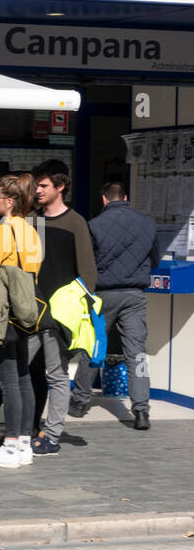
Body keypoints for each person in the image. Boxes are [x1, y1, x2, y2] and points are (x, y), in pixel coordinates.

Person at [71, 181, 162, 430]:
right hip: (134, 295)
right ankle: (141, 411)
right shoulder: (148, 223)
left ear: (104, 199)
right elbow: (154, 260)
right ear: (126, 197)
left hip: (103, 295)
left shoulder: (94, 225)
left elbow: (86, 264)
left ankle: (79, 402)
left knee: (93, 346)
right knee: (137, 353)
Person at [25, 159, 97, 456]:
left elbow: (88, 273)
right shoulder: (31, 220)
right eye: (36, 186)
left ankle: (51, 435)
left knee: (56, 375)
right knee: (18, 370)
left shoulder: (76, 222)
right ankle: (22, 431)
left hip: (58, 314)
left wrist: (75, 310)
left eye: (43, 186)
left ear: (60, 186)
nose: (38, 191)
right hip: (29, 310)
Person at [0, 174, 43, 468]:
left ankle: (10, 444)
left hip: (4, 313)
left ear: (9, 201)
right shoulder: (31, 230)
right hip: (25, 311)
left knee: (7, 380)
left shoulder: (6, 229)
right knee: (23, 376)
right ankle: (24, 442)